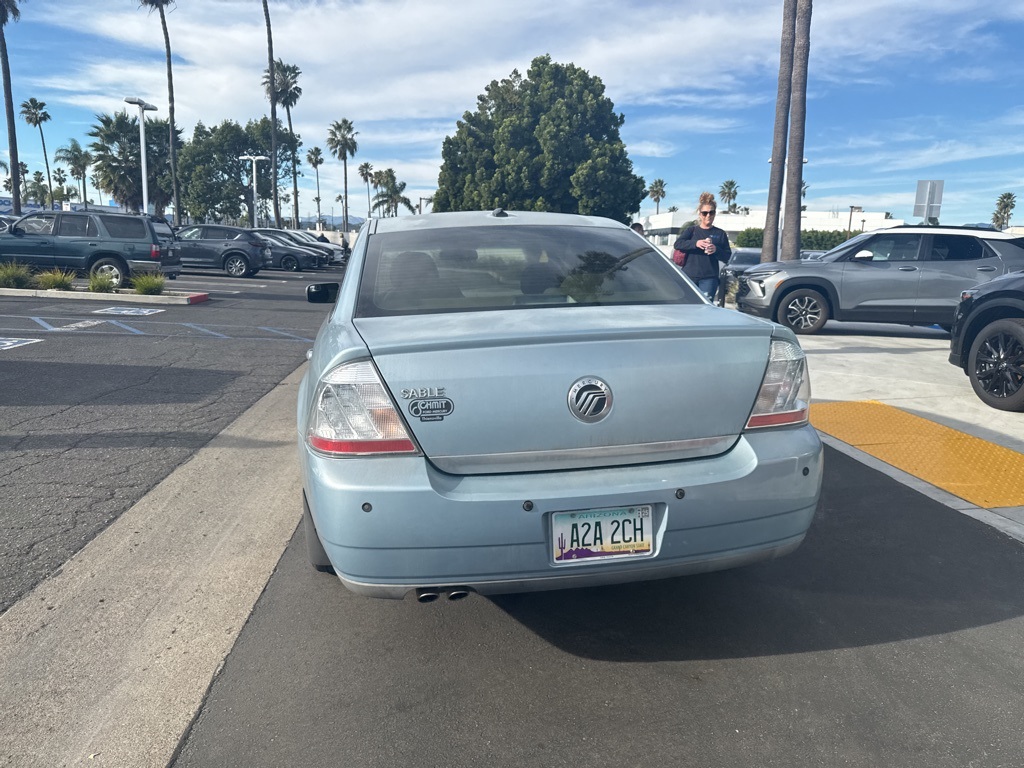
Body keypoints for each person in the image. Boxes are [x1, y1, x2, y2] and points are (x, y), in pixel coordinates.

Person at [672, 192, 731, 301]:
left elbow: (727, 256)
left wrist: (716, 249)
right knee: (688, 306)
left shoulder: (720, 233)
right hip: (689, 276)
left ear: (714, 214)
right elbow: (678, 244)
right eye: (705, 213)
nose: (708, 215)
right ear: (700, 214)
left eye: (711, 212)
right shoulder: (691, 230)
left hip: (709, 278)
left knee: (705, 307)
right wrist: (695, 243)